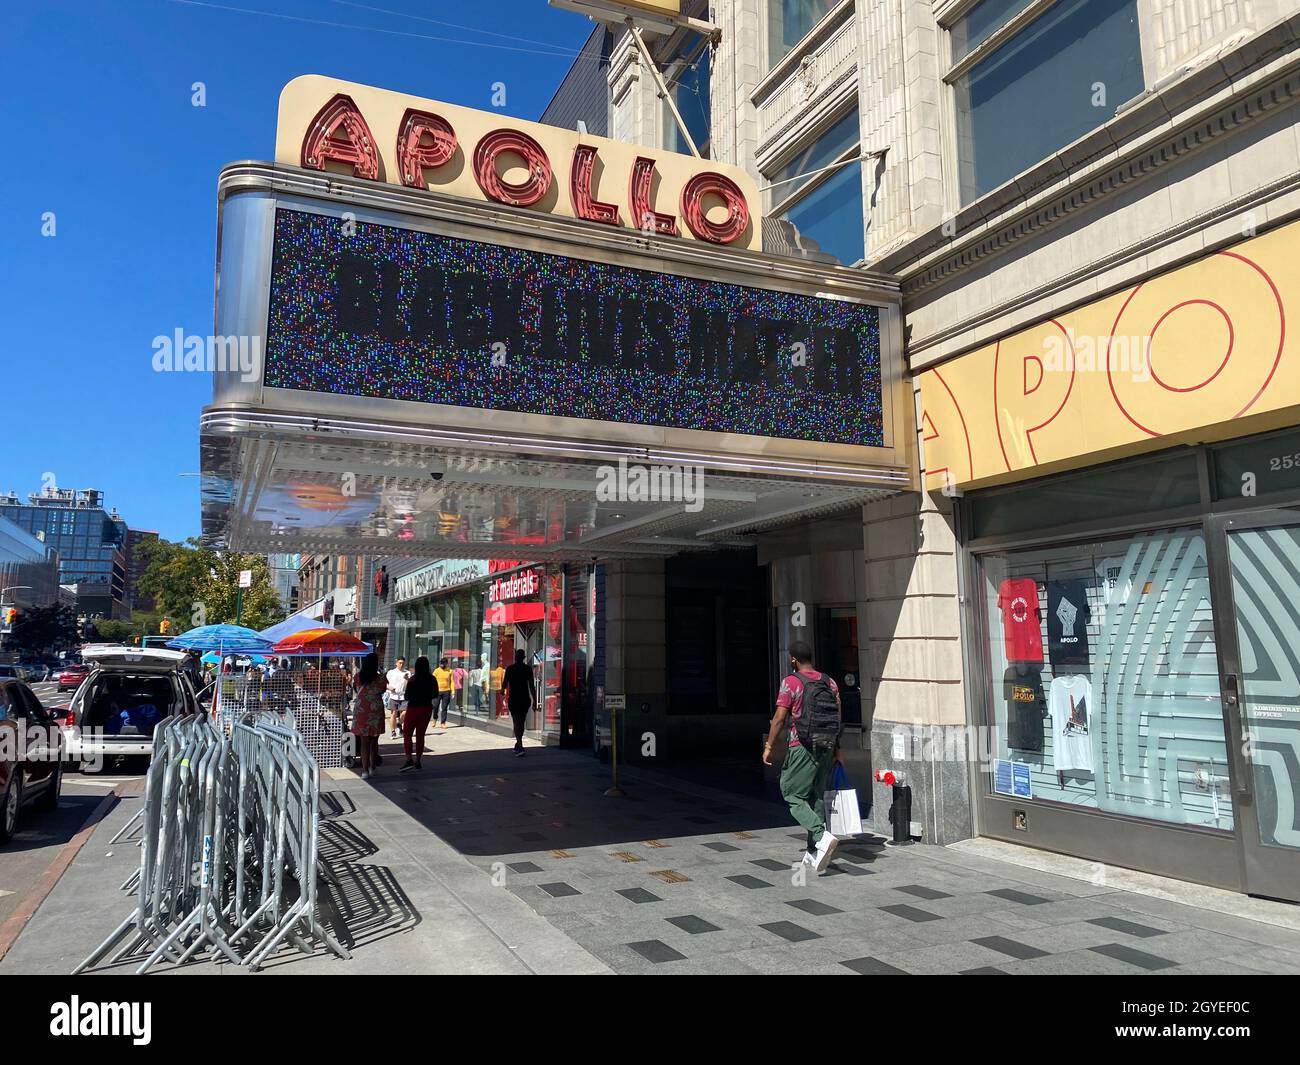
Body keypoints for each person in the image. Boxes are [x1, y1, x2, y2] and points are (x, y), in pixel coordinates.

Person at [762, 640, 843, 874]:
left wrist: (769, 745)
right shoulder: (830, 682)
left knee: (792, 792)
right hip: (827, 746)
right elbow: (836, 717)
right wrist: (837, 748)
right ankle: (813, 852)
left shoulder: (791, 682)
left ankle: (821, 835)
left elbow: (779, 719)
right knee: (816, 796)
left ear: (793, 660)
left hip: (802, 746)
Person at [350, 652, 387, 780]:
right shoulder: (381, 678)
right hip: (376, 709)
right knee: (374, 740)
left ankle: (364, 770)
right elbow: (383, 690)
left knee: (364, 741)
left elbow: (355, 689)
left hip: (361, 709)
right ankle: (373, 767)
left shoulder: (358, 676)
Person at [400, 656, 436, 771]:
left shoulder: (413, 680)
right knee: (420, 735)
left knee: (407, 734)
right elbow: (435, 694)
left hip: (413, 708)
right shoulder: (432, 679)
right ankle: (418, 760)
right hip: (426, 708)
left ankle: (408, 758)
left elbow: (406, 696)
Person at [501, 649, 537, 757]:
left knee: (517, 721)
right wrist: (535, 700)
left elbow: (504, 683)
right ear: (524, 658)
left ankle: (520, 744)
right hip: (524, 698)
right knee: (520, 721)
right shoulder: (527, 669)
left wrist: (502, 690)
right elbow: (531, 685)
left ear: (516, 658)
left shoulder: (510, 669)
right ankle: (518, 743)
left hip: (515, 698)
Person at [385, 657, 410, 739]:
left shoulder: (407, 673)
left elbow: (411, 684)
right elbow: (385, 683)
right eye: (400, 663)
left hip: (404, 696)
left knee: (405, 713)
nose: (401, 664)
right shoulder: (391, 672)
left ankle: (399, 724)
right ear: (396, 663)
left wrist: (408, 680)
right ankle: (393, 732)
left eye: (403, 663)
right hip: (393, 695)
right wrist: (389, 687)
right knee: (393, 714)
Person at [432, 657, 455, 728]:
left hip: (446, 691)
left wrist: (453, 691)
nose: (441, 665)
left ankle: (443, 722)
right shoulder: (436, 671)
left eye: (443, 663)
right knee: (435, 706)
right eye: (440, 663)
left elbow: (452, 682)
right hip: (437, 691)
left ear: (446, 664)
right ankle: (435, 718)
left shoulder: (450, 671)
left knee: (444, 707)